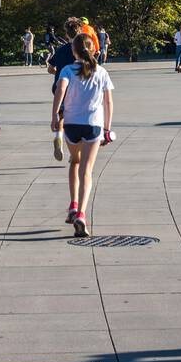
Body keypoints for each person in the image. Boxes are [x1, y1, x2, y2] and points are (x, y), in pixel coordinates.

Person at [51, 32, 113, 238]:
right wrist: (107, 128)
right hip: (93, 125)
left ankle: (73, 203)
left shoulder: (68, 70)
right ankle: (81, 214)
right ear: (93, 49)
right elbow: (108, 102)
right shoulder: (101, 72)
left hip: (70, 124)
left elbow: (60, 89)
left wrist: (54, 115)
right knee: (87, 171)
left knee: (74, 162)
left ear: (74, 51)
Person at [46, 16, 83, 161]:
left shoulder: (61, 50)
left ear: (67, 34)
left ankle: (58, 137)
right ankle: (75, 151)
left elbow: (50, 68)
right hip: (77, 88)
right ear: (80, 31)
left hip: (60, 87)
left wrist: (60, 74)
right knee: (77, 119)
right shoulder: (82, 49)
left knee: (61, 116)